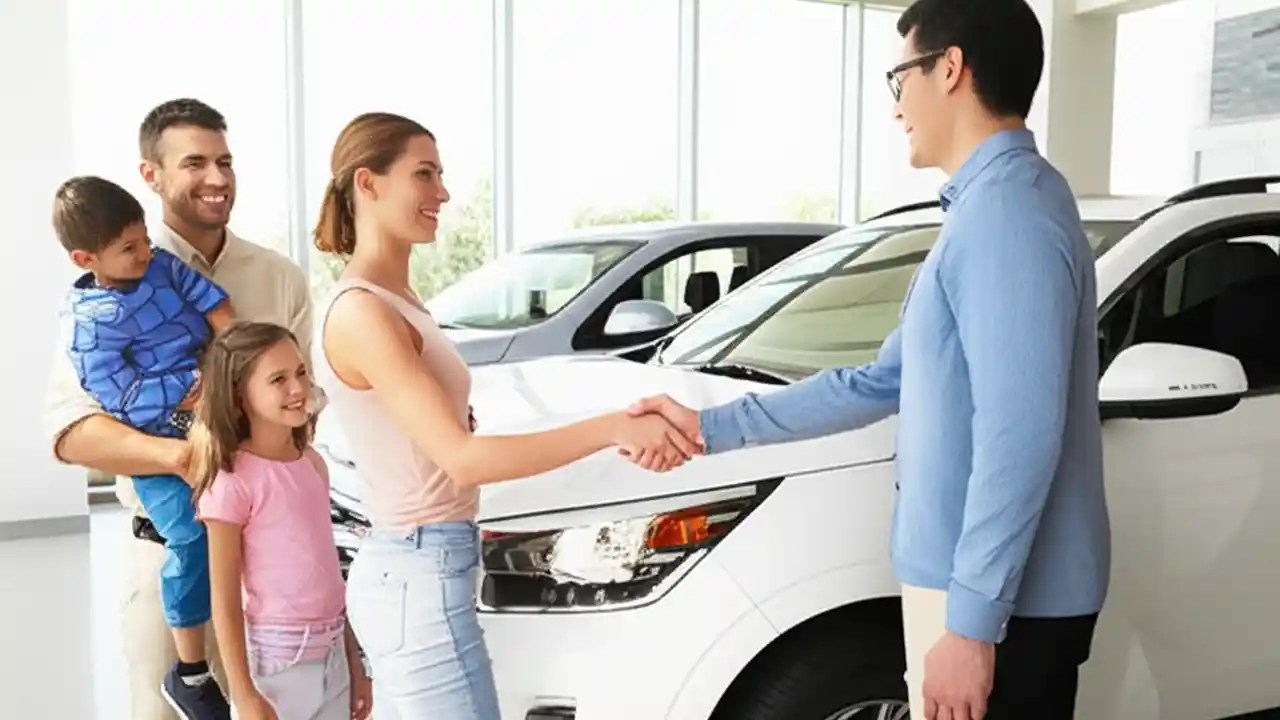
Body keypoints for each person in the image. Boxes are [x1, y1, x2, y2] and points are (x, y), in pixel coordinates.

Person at [626, 1, 1109, 718]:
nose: (895, 108)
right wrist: (709, 428)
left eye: (899, 77)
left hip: (1003, 610)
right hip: (978, 595)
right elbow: (881, 380)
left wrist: (973, 627)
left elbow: (1020, 435)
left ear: (950, 69)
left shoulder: (1010, 214)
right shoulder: (987, 208)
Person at [313, 111, 700, 718]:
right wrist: (612, 428)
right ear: (368, 183)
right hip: (418, 571)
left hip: (422, 565)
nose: (442, 192)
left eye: (440, 174)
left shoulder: (398, 300)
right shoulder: (364, 313)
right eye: (424, 174)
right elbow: (461, 459)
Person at [42, 98, 313, 720]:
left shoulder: (279, 277)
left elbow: (303, 409)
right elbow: (71, 432)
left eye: (225, 161)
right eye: (195, 162)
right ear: (151, 175)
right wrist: (181, 455)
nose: (217, 178)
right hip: (170, 546)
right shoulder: (95, 300)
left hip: (271, 563)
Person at [51, 174, 236, 716]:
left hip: (214, 407)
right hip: (161, 443)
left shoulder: (160, 265)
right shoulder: (85, 326)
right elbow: (122, 399)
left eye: (143, 240)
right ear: (86, 258)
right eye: (128, 248)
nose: (144, 252)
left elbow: (214, 303)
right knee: (189, 537)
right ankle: (191, 672)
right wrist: (192, 391)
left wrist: (229, 364)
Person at [191, 321, 372, 720]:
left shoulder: (312, 463)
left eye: (301, 372)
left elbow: (330, 576)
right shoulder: (231, 482)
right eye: (278, 379)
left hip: (332, 659)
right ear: (240, 397)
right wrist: (244, 693)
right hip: (277, 666)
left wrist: (355, 663)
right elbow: (223, 601)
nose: (298, 388)